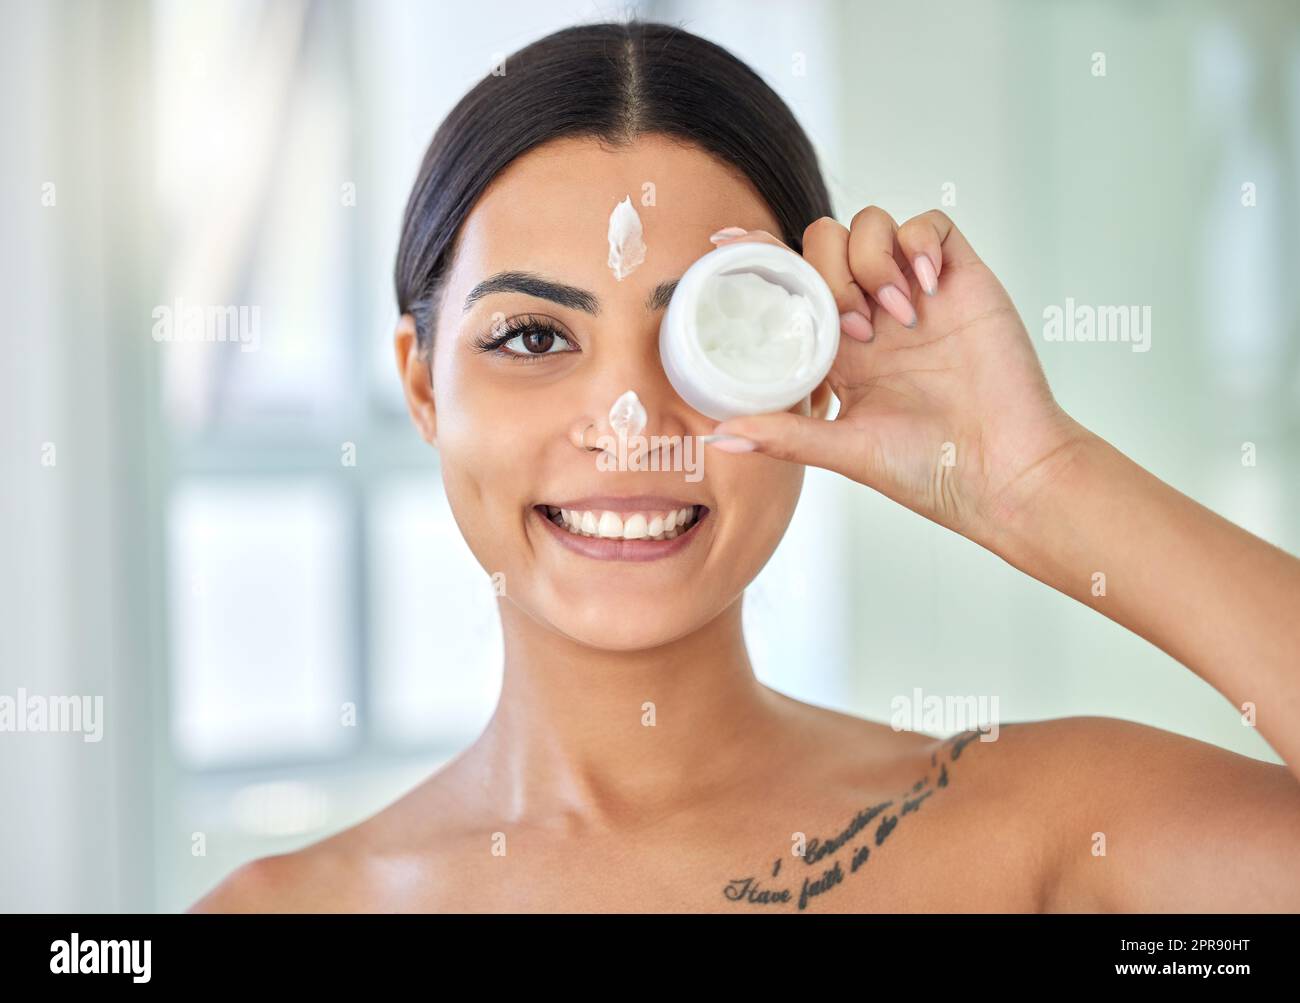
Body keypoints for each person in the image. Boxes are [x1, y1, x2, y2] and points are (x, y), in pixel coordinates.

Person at [190, 19, 1300, 913]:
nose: (628, 423)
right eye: (532, 335)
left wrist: (1039, 477)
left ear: (811, 361)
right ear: (425, 384)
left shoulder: (1047, 831)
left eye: (705, 335)